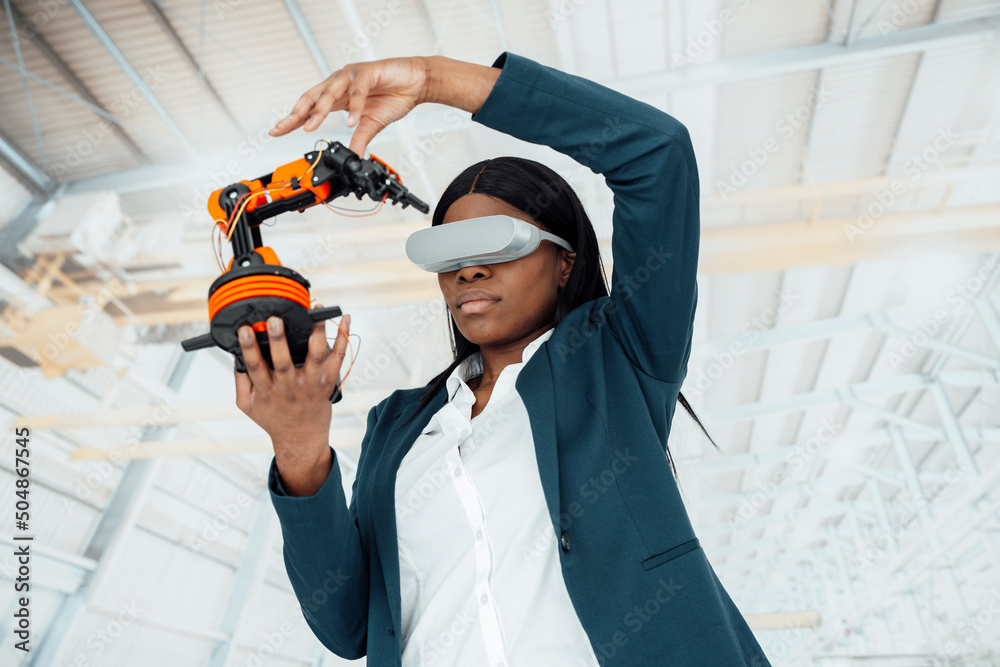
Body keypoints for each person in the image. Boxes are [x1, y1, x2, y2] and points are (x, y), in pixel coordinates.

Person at [235, 52, 772, 666]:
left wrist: (434, 80)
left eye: (497, 244)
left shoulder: (619, 356)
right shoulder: (397, 427)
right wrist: (299, 448)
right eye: (450, 253)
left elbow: (658, 153)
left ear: (565, 261)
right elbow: (348, 626)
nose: (469, 269)